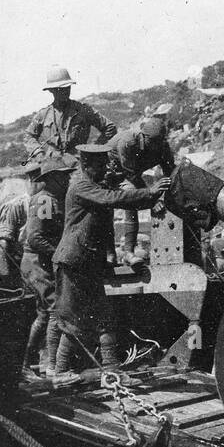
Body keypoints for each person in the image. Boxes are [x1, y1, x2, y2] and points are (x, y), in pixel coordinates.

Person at [51, 143, 171, 376]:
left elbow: (111, 205)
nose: (105, 168)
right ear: (86, 164)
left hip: (86, 263)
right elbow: (110, 199)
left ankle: (111, 370)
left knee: (105, 317)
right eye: (99, 164)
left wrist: (149, 197)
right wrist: (150, 192)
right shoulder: (81, 186)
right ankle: (61, 372)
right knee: (73, 321)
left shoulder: (93, 185)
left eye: (106, 163)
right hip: (74, 261)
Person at [21, 160, 75, 377]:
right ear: (52, 178)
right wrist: (59, 253)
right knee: (54, 311)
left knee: (45, 314)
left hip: (41, 262)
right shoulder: (44, 200)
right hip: (37, 263)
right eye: (63, 176)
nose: (67, 179)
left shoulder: (54, 199)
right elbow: (35, 238)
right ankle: (51, 366)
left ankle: (31, 364)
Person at [109, 116, 177, 270]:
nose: (156, 147)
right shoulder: (128, 142)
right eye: (152, 143)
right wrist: (152, 201)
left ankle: (127, 253)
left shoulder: (161, 145)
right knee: (130, 195)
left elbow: (170, 173)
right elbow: (131, 176)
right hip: (111, 173)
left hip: (131, 176)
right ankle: (126, 252)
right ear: (143, 137)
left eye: (159, 142)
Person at [22, 66, 118, 162]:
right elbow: (28, 136)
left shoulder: (83, 110)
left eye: (67, 87)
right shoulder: (43, 115)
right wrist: (38, 152)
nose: (65, 91)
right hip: (53, 166)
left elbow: (109, 127)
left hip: (79, 164)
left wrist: (94, 150)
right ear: (51, 90)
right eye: (60, 89)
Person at [0, 161, 39, 286]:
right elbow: (3, 244)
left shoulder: (47, 203)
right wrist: (7, 278)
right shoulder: (16, 206)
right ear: (32, 179)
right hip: (22, 265)